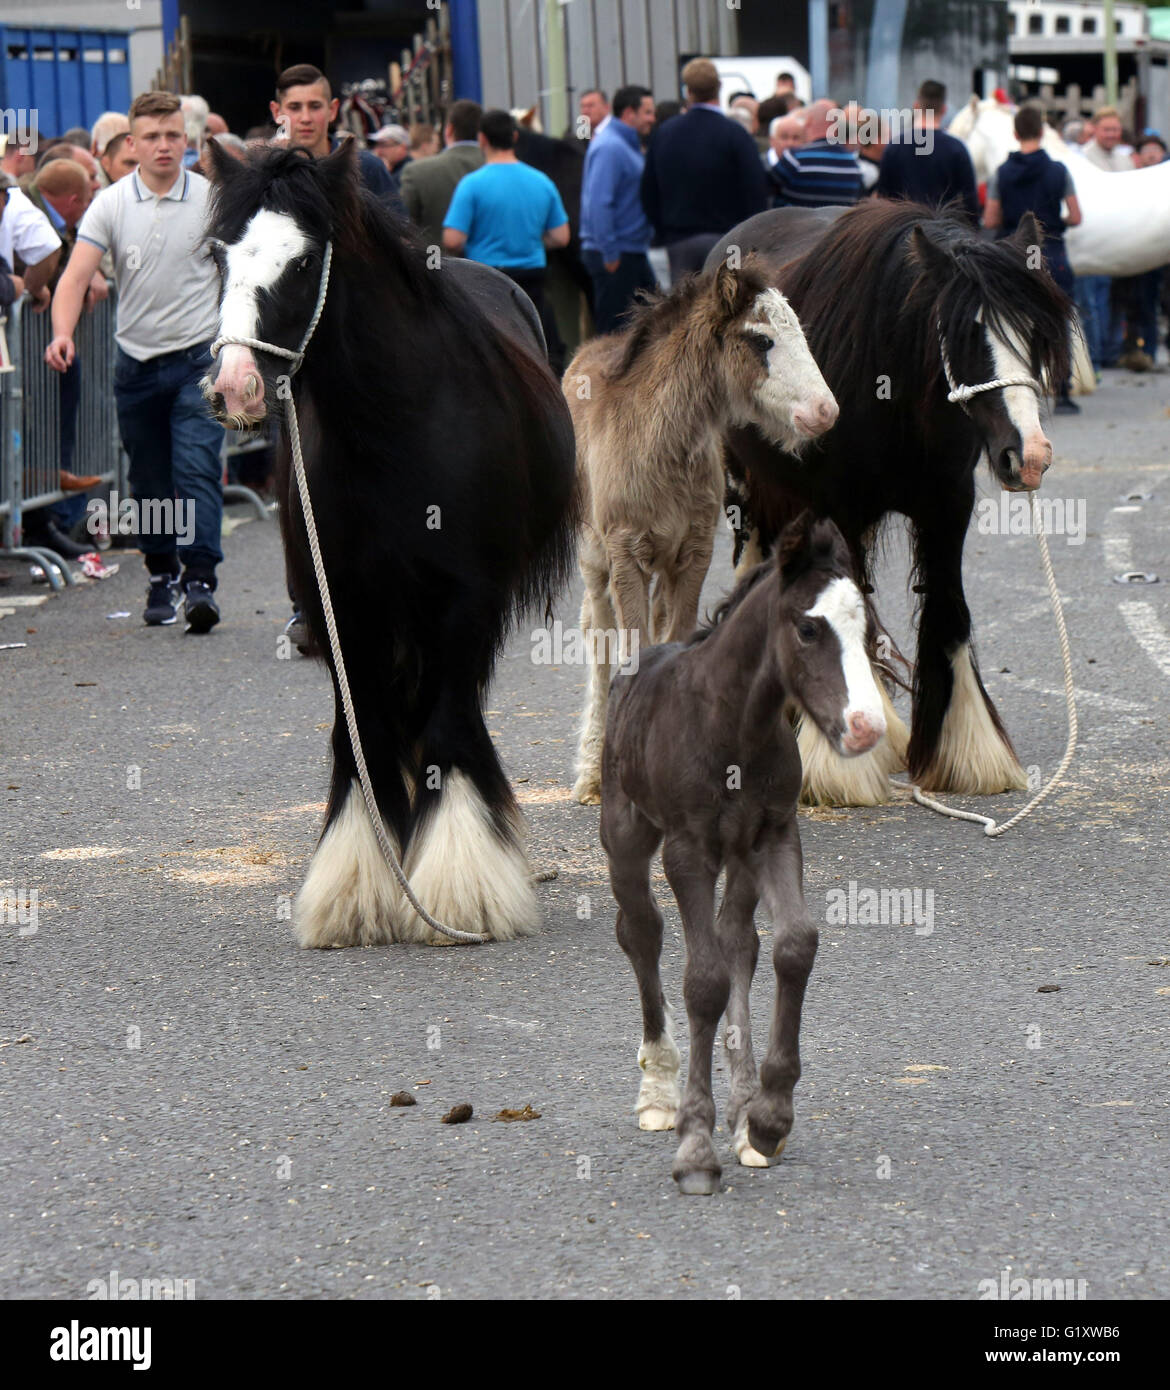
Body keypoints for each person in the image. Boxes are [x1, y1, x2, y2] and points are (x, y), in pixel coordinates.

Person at [46, 90, 225, 633]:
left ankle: (199, 581)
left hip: (200, 358)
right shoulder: (112, 203)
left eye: (173, 135)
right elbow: (75, 276)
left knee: (196, 470)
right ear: (132, 143)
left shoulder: (213, 198)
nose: (164, 146)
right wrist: (61, 333)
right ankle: (159, 572)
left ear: (187, 140)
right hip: (137, 364)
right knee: (148, 481)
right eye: (151, 137)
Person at [984, 103, 1082, 413]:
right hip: (1050, 251)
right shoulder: (1059, 170)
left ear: (1016, 133)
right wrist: (1055, 221)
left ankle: (1022, 387)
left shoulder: (1002, 173)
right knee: (1057, 320)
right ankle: (1063, 391)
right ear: (1042, 132)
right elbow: (1076, 215)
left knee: (1017, 321)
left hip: (1015, 253)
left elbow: (990, 220)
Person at [640, 57, 768, 280]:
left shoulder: (664, 134)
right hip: (731, 240)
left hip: (680, 242)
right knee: (730, 306)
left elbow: (648, 191)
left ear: (687, 91)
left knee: (686, 309)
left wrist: (664, 231)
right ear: (718, 88)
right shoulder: (736, 134)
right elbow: (756, 189)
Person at [441, 109, 569, 324]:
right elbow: (561, 237)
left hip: (486, 279)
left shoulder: (471, 185)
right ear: (515, 137)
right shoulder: (542, 181)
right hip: (531, 280)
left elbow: (453, 240)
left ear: (481, 139)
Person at [580, 84, 657, 334]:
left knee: (648, 323)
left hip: (629, 251)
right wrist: (610, 253)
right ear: (628, 114)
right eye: (647, 112)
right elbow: (599, 203)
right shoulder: (610, 147)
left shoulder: (625, 144)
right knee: (614, 334)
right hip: (616, 254)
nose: (652, 119)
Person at [270, 64, 396, 202]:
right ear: (277, 112)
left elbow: (398, 222)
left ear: (332, 110)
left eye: (315, 106)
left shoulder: (366, 168)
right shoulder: (267, 176)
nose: (305, 118)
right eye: (294, 107)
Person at [876, 80, 979, 224]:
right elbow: (970, 202)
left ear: (916, 106)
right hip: (944, 234)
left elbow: (883, 198)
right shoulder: (957, 149)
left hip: (901, 233)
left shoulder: (895, 146)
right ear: (944, 109)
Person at [399, 99, 484, 249]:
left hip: (436, 264)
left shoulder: (417, 172)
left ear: (449, 130)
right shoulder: (500, 169)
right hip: (493, 267)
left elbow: (403, 224)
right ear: (481, 133)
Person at [769, 98, 863, 209]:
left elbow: (766, 192)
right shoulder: (852, 165)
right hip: (837, 226)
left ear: (808, 121)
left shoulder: (795, 159)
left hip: (794, 225)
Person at [370, 123, 412, 191]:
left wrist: (384, 174)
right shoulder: (392, 168)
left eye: (383, 145)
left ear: (402, 148)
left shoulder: (407, 174)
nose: (377, 151)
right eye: (377, 145)